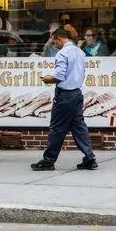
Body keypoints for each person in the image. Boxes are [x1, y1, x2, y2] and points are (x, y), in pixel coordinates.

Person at [31, 27, 97, 171]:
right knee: (79, 127)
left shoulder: (62, 54)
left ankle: (48, 161)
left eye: (55, 42)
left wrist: (47, 79)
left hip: (65, 95)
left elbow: (58, 76)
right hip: (77, 94)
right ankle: (90, 159)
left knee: (57, 128)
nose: (55, 45)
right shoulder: (80, 52)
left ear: (60, 39)